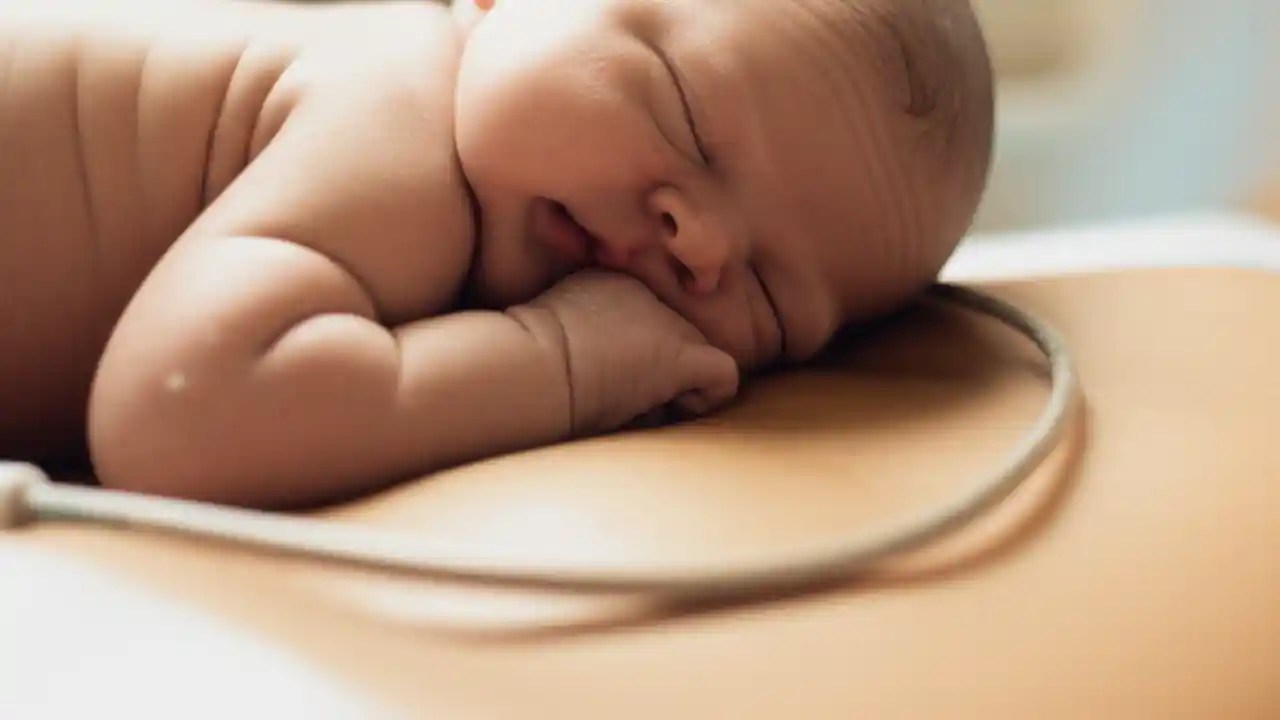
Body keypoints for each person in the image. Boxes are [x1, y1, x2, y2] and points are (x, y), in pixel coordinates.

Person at [0, 0, 993, 507]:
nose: (699, 241)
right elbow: (175, 422)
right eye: (685, 117)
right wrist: (560, 363)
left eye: (769, 297)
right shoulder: (401, 126)